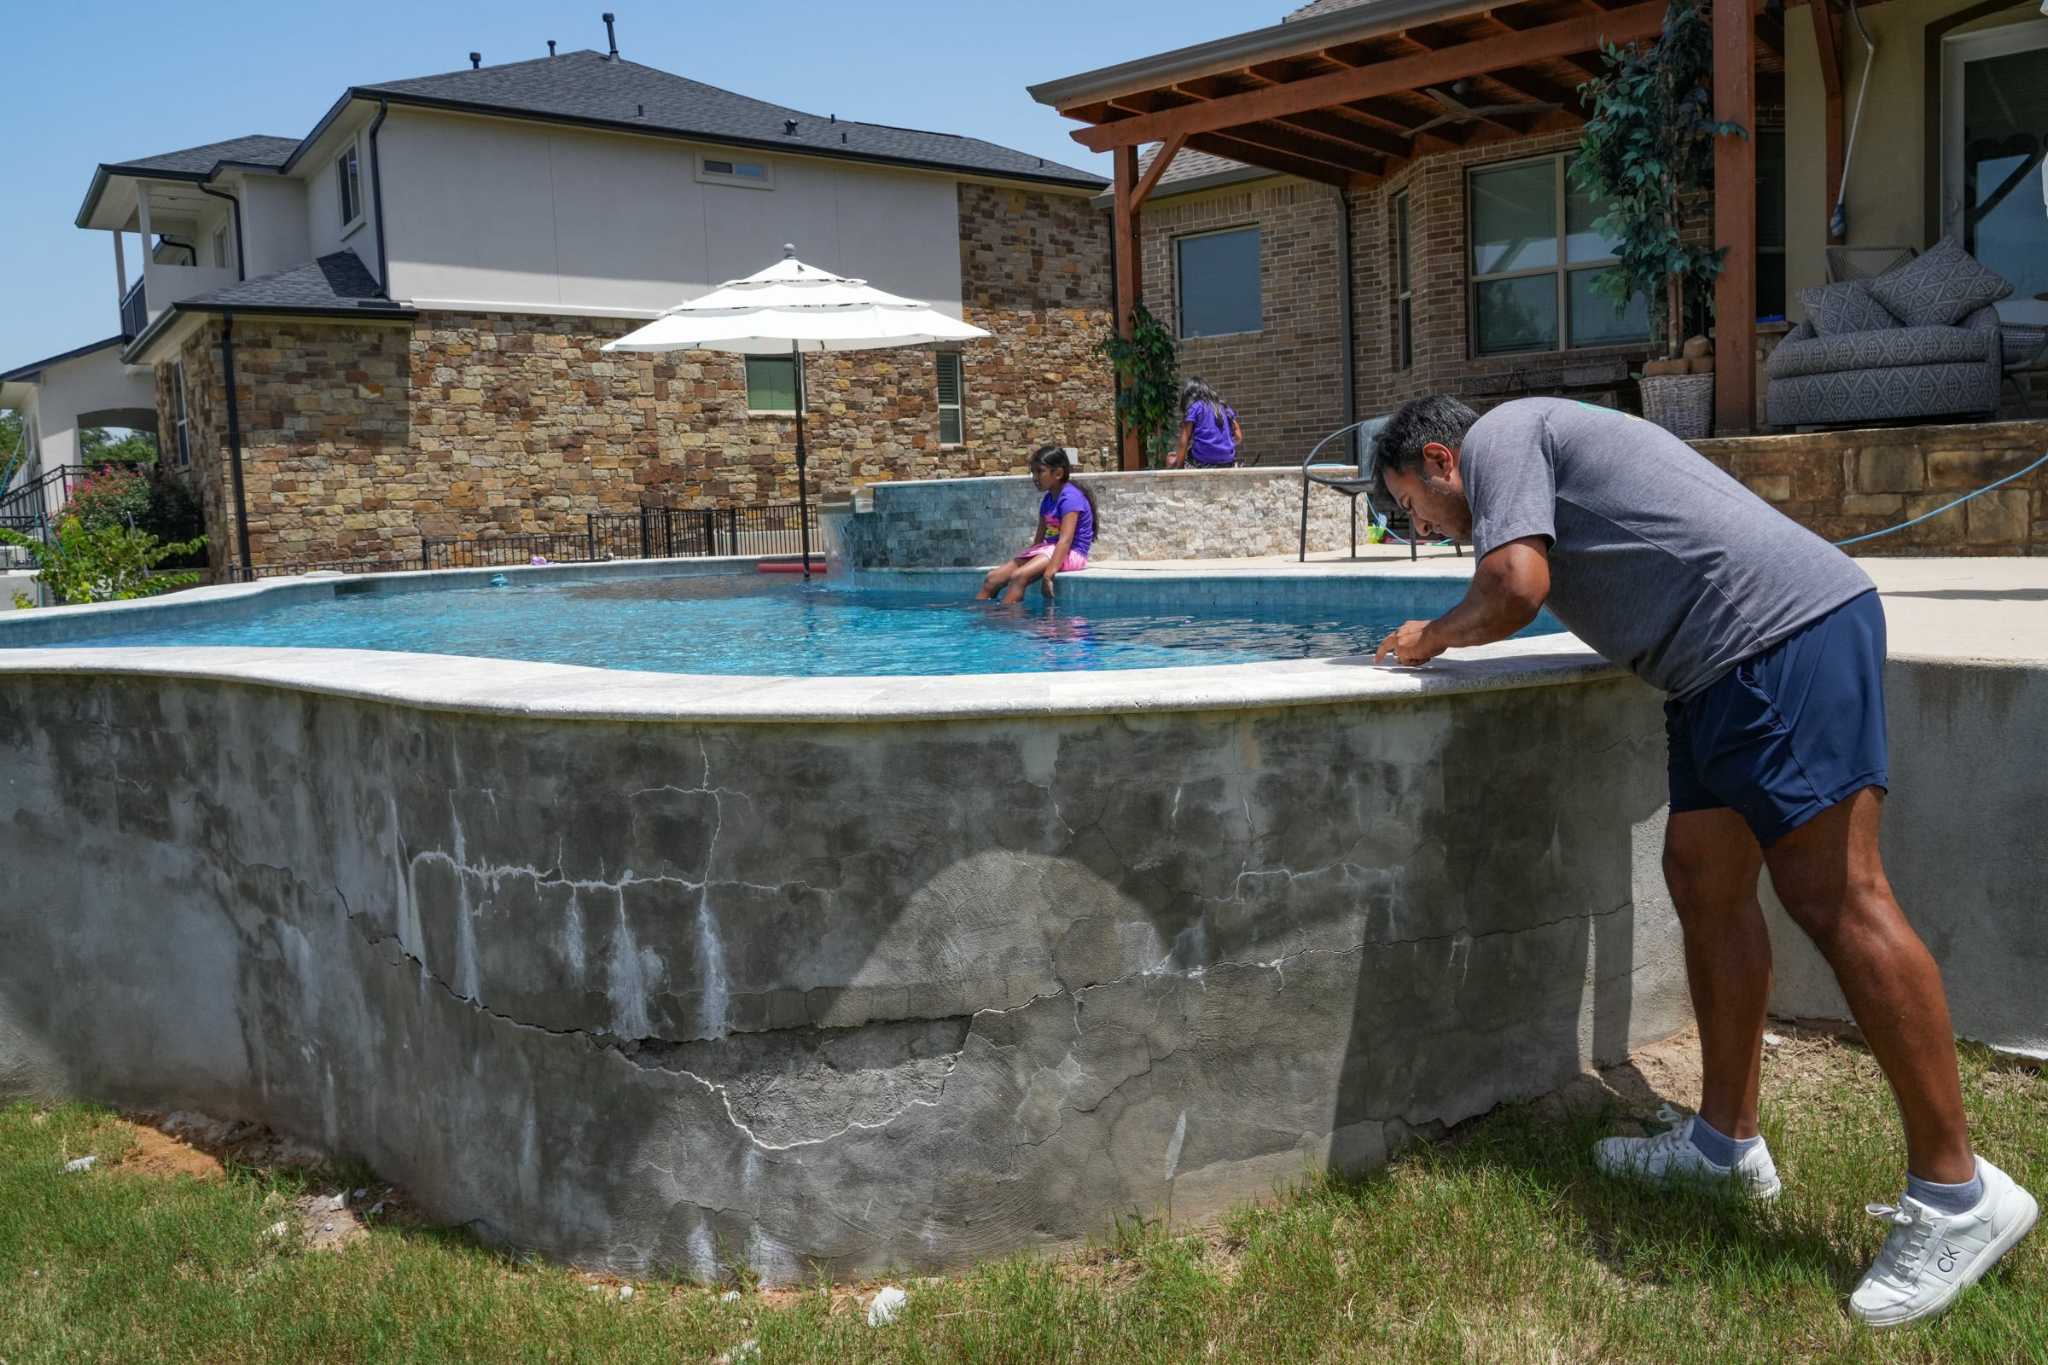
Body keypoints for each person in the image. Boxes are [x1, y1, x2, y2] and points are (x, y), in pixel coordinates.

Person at [1369, 394, 2037, 1329]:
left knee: (1839, 897)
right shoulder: (1523, 447)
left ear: (1440, 459)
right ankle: (1725, 1145)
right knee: (1701, 872)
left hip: (1776, 636)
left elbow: (1516, 583)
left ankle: (1958, 1193)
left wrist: (1430, 635)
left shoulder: (1499, 439)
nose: (1419, 527)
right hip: (1717, 667)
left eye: (1410, 507)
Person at [975, 445, 1096, 605]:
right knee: (992, 579)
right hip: (1050, 549)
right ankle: (978, 620)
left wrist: (1048, 574)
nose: (1035, 477)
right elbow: (1039, 539)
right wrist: (1028, 557)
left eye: (1040, 471)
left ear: (1058, 473)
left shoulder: (1070, 498)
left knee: (1019, 577)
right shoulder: (1048, 499)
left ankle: (1007, 623)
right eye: (1033, 472)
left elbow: (1065, 541)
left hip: (1072, 553)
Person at [1168, 378, 1243, 469]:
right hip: (1228, 463)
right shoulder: (1224, 407)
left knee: (1170, 459)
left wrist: (1179, 467)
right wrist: (1223, 447)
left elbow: (1184, 441)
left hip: (1202, 463)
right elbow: (1238, 437)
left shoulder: (1195, 407)